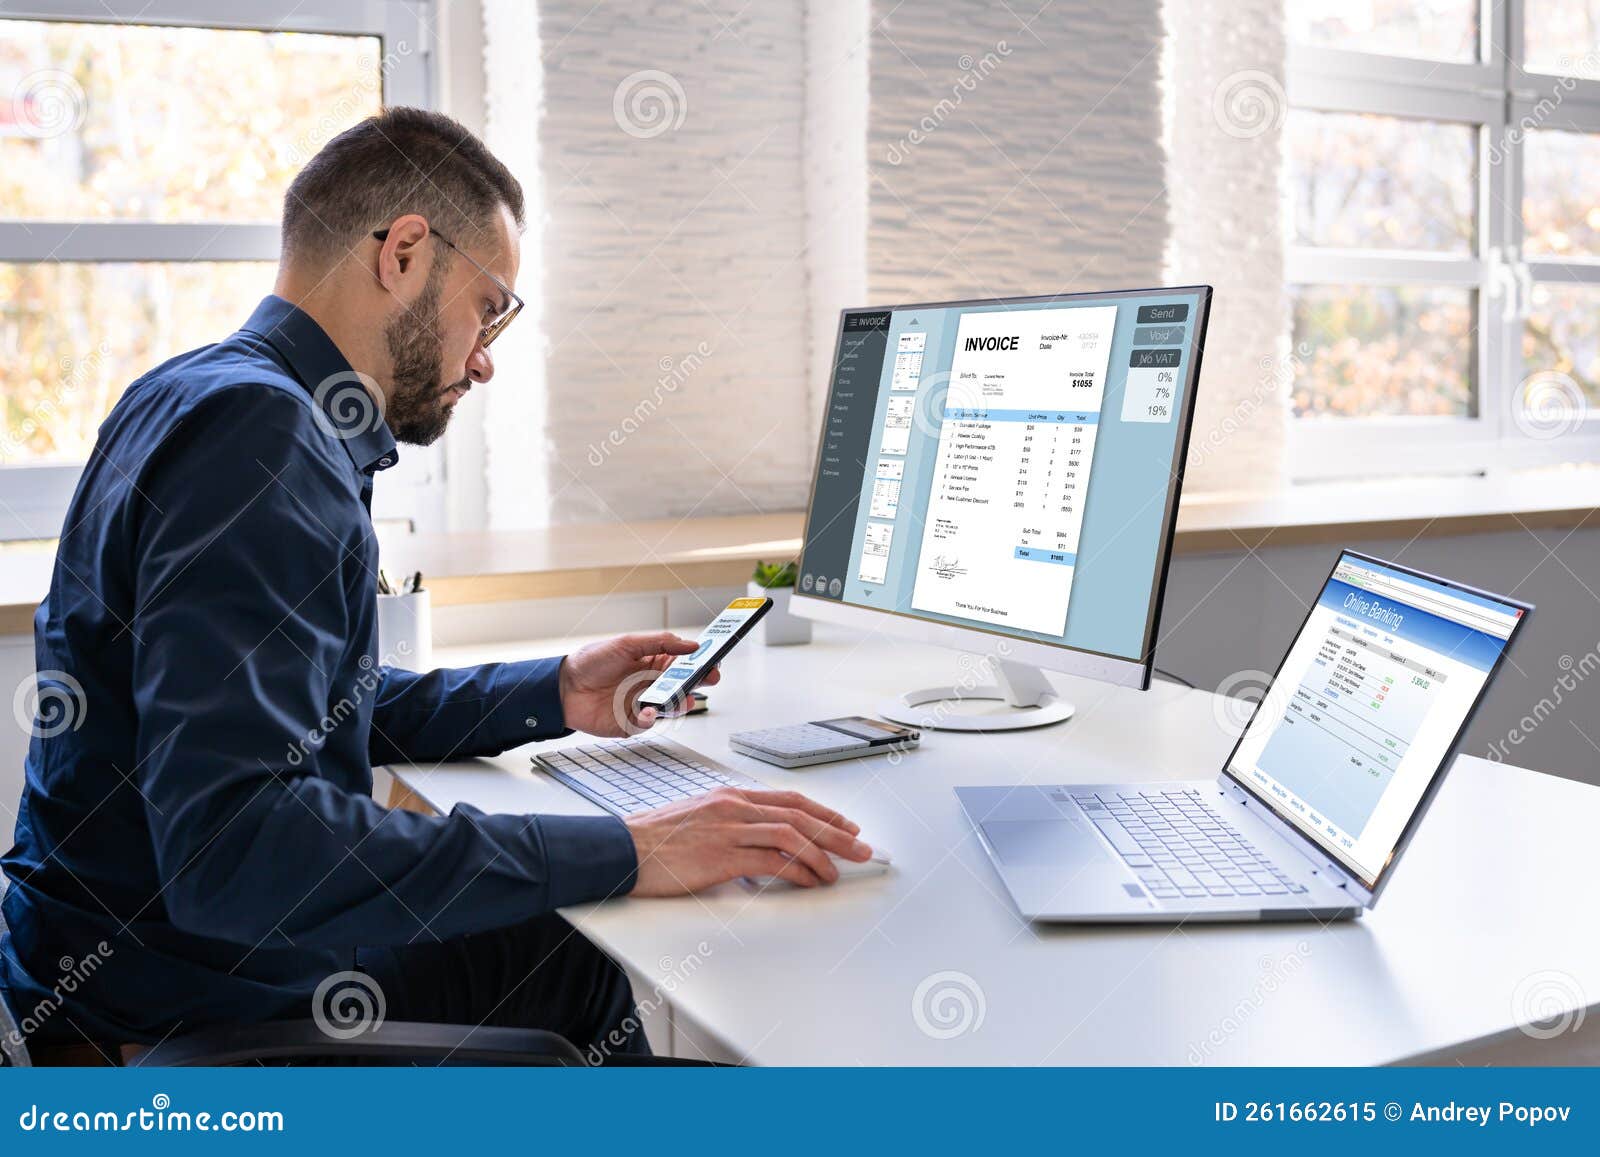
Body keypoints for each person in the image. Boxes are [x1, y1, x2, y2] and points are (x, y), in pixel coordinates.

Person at [0, 108, 869, 1060]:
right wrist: (635, 848)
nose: (486, 354)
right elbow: (234, 850)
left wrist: (552, 690)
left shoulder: (193, 391)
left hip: (116, 968)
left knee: (560, 961)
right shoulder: (261, 439)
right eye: (489, 306)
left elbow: (304, 713)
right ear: (405, 252)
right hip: (183, 1013)